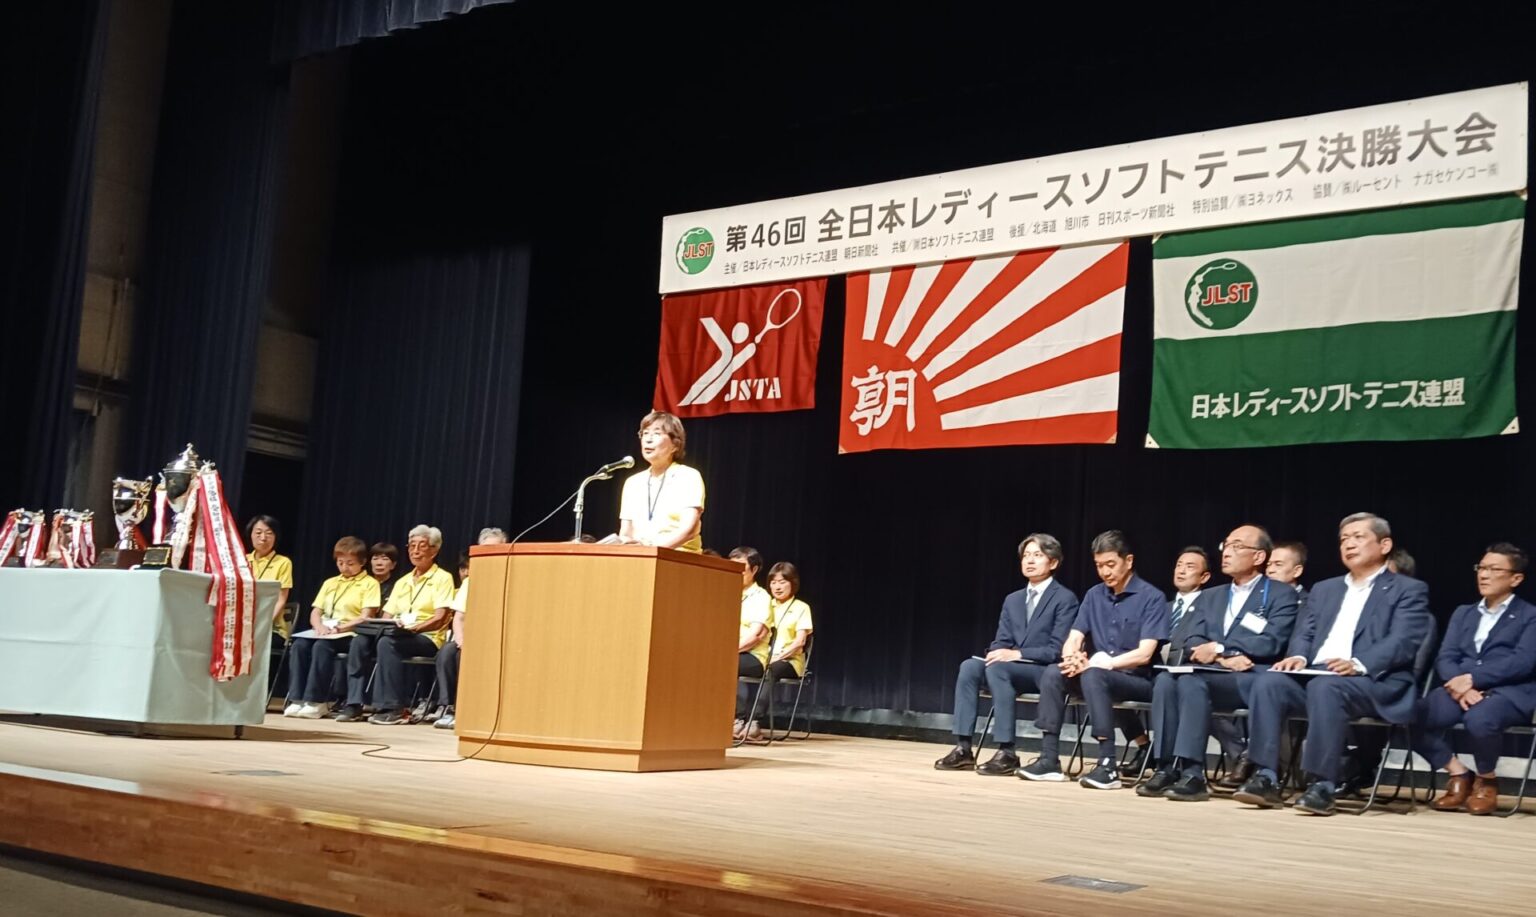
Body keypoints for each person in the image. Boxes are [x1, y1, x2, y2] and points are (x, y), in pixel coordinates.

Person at [1234, 512, 1431, 815]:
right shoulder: (1326, 589)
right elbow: (1305, 632)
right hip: (1319, 675)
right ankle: (1266, 777)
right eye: (1343, 540)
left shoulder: (1408, 590)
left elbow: (1403, 642)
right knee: (1269, 681)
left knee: (1327, 688)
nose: (1348, 544)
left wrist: (1358, 662)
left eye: (1358, 537)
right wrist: (1298, 656)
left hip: (1374, 681)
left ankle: (1322, 784)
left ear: (1385, 544)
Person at [1139, 525, 1300, 801]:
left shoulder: (1279, 593)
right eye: (1226, 545)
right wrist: (1222, 656)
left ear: (1259, 557)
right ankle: (1169, 767)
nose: (1227, 552)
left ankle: (1192, 771)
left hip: (1253, 677)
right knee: (1167, 680)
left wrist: (1220, 648)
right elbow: (1192, 639)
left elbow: (1272, 641)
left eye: (1237, 546)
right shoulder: (1211, 595)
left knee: (1190, 680)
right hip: (1213, 672)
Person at [1019, 531, 1167, 790]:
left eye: (1111, 564)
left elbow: (1144, 653)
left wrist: (1103, 664)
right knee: (1054, 672)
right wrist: (1072, 656)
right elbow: (1074, 637)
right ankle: (1049, 759)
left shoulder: (1150, 597)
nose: (1105, 572)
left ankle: (1108, 764)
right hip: (1096, 674)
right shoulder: (1094, 595)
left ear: (1128, 561)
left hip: (1138, 679)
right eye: (1099, 566)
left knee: (1094, 675)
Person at [934, 534, 1079, 776]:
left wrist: (1016, 654)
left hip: (1043, 670)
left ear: (1053, 563)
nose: (1029, 561)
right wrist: (996, 652)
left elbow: (1056, 650)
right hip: (1009, 667)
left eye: (1037, 555)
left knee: (998, 668)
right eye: (1026, 556)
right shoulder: (1013, 600)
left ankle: (1007, 751)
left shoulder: (1065, 599)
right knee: (969, 667)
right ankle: (963, 747)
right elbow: (1002, 640)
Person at [1414, 543, 1535, 815]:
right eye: (1481, 568)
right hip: (1459, 687)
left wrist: (1472, 678)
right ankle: (1459, 774)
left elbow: (1523, 662)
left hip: (1509, 691)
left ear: (1516, 578)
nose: (1484, 575)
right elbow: (1446, 656)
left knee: (1480, 719)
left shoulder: (1530, 616)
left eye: (1494, 569)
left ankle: (1487, 779)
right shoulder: (1463, 612)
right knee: (1410, 714)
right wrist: (1460, 684)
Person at [335, 525, 455, 724]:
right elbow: (387, 614)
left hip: (426, 637)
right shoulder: (403, 581)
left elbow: (440, 618)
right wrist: (390, 624)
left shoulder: (443, 578)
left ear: (434, 550)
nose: (415, 551)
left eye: (421, 546)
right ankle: (353, 703)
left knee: (387, 644)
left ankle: (392, 707)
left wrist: (413, 628)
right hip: (397, 632)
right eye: (412, 546)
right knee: (360, 641)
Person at [1120, 546, 1211, 778]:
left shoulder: (1209, 607)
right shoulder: (1162, 607)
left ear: (1205, 577)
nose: (1181, 571)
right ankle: (1143, 747)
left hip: (1183, 675)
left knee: (1185, 689)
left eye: (1190, 567)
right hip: (1149, 671)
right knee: (1104, 682)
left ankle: (1170, 763)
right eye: (1179, 565)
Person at [283, 537, 381, 719]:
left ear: (362, 562)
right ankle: (296, 699)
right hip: (325, 632)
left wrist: (341, 628)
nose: (345, 567)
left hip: (350, 633)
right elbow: (315, 611)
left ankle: (316, 701)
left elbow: (366, 616)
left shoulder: (370, 584)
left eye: (350, 563)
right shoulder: (330, 583)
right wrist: (319, 626)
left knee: (321, 648)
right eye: (340, 562)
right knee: (299, 645)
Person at [433, 527, 509, 730]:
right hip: (470, 637)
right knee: (448, 652)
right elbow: (459, 618)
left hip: (498, 638)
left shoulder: (511, 578)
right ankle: (448, 707)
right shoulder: (469, 583)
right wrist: (461, 641)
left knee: (465, 656)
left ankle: (468, 710)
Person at [734, 560, 816, 743]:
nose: (777, 587)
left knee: (772, 670)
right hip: (764, 656)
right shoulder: (765, 604)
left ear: (793, 583)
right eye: (773, 582)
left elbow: (800, 642)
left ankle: (754, 722)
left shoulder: (801, 607)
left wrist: (779, 656)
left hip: (789, 661)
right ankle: (738, 719)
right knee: (734, 666)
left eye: (782, 582)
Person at [618, 411, 705, 552]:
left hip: (679, 559)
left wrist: (652, 550)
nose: (648, 439)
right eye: (645, 433)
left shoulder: (688, 476)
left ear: (675, 445)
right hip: (640, 558)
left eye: (657, 433)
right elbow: (626, 532)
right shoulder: (632, 483)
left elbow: (690, 529)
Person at [730, 546, 774, 742]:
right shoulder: (726, 592)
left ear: (754, 570)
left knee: (728, 664)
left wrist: (727, 651)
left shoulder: (761, 598)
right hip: (728, 651)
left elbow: (756, 635)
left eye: (741, 568)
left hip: (754, 656)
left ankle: (738, 719)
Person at [246, 515, 294, 645]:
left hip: (271, 628)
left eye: (269, 533)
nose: (263, 538)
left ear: (275, 537)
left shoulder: (283, 563)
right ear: (250, 535)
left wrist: (262, 623)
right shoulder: (242, 561)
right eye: (258, 533)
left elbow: (281, 599)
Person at [1266, 541, 1308, 607]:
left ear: (1297, 571)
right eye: (1268, 565)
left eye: (1278, 564)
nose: (1270, 570)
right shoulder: (1261, 598)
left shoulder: (1308, 604)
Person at [369, 542, 400, 606]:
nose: (379, 563)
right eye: (375, 559)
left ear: (393, 565)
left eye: (385, 559)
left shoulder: (398, 586)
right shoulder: (364, 584)